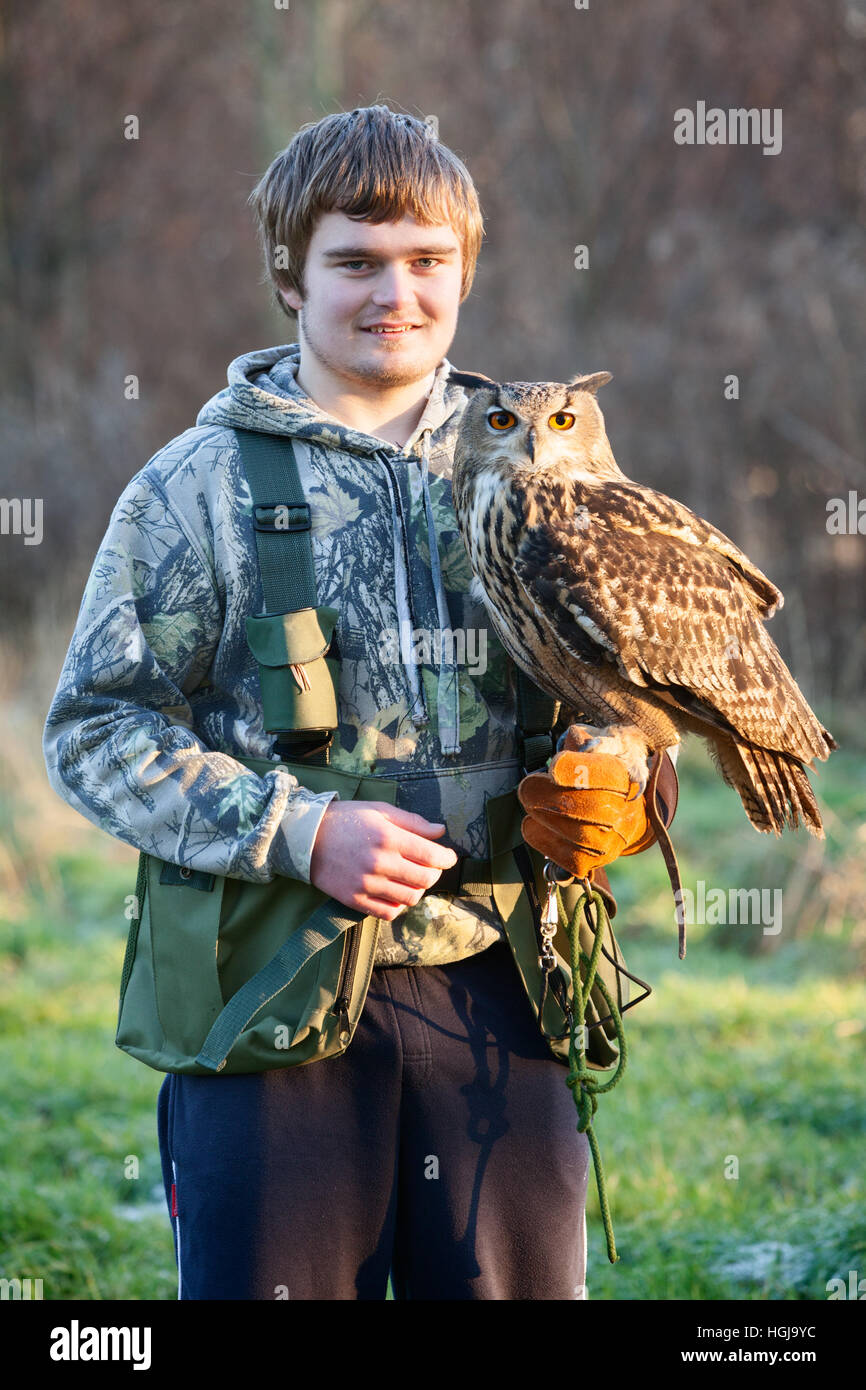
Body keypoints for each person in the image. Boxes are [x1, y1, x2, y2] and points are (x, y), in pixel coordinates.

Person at [42, 103, 674, 1300]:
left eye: (428, 261)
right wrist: (299, 832)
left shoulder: (547, 461)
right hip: (266, 995)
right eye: (355, 262)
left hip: (505, 982)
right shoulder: (195, 486)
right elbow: (94, 730)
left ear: (465, 272)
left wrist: (617, 776)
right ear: (291, 278)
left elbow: (630, 692)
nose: (396, 292)